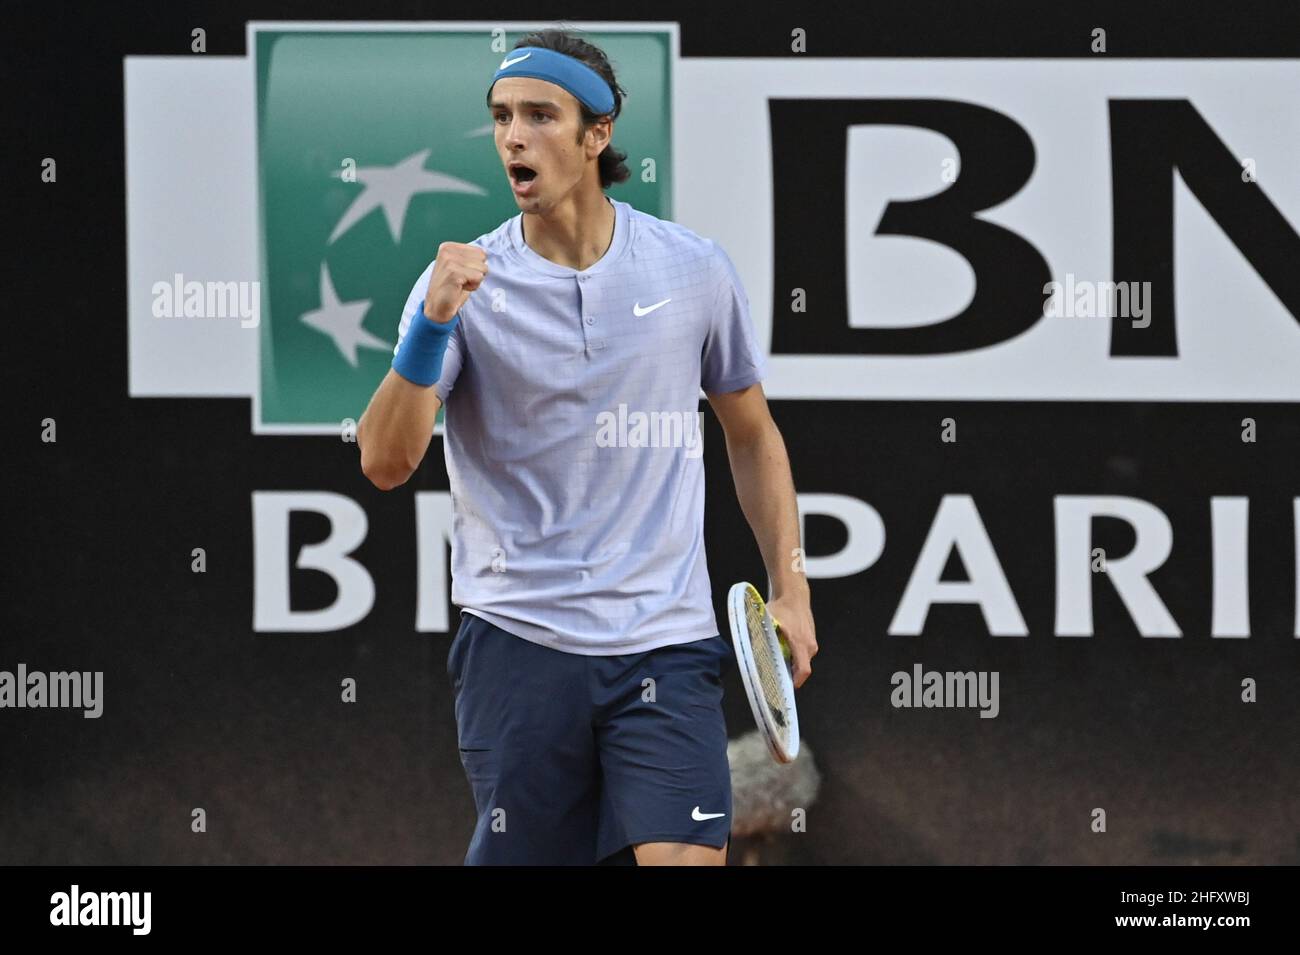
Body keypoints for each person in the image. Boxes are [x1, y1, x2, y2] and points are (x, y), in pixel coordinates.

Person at [357, 27, 816, 865]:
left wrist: (793, 586)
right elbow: (386, 462)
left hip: (667, 643)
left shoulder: (693, 271)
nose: (513, 136)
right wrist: (430, 327)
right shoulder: (460, 284)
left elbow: (752, 436)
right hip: (518, 642)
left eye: (539, 114)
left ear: (596, 133)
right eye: (501, 117)